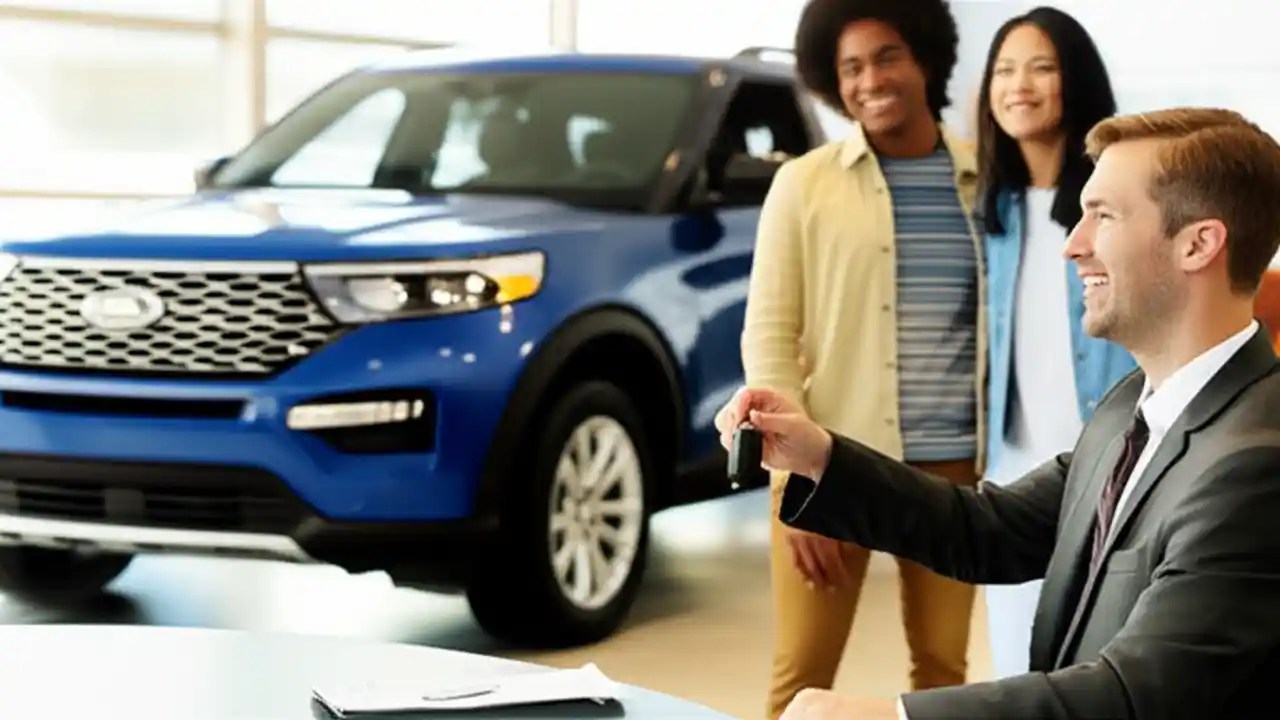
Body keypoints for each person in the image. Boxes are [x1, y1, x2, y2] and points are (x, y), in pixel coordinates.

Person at [719, 106, 1280, 719]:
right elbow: (989, 528)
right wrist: (817, 453)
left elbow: (1136, 695)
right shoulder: (1132, 405)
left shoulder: (1255, 467)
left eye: (1104, 216)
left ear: (1198, 243)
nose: (1074, 243)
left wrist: (892, 716)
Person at [741, 0, 983, 715]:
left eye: (887, 57)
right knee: (803, 677)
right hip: (834, 466)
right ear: (829, 79)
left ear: (924, 60)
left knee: (945, 668)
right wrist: (793, 490)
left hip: (954, 474)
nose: (870, 80)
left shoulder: (984, 181)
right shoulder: (804, 183)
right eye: (850, 67)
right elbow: (770, 333)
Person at [974, 6, 1137, 678]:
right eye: (1005, 69)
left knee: (1102, 664)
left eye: (1042, 67)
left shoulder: (1119, 200)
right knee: (1018, 665)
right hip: (1012, 467)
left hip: (1105, 459)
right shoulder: (995, 209)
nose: (1020, 84)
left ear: (1077, 81)